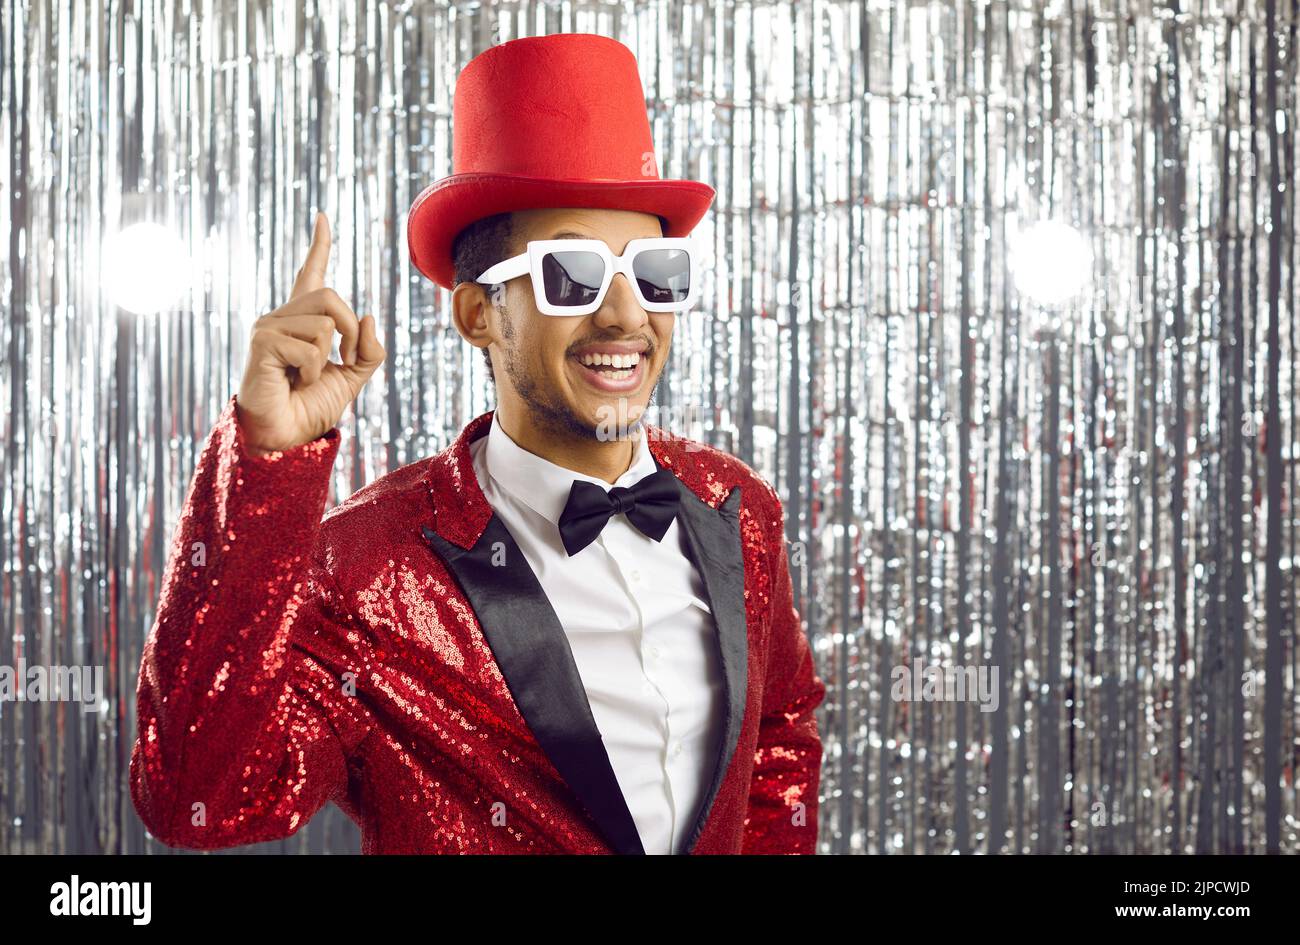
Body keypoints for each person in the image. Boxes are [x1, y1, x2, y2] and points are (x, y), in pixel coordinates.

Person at [129, 32, 825, 855]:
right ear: (477, 314)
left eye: (655, 270)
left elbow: (779, 741)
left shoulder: (736, 505)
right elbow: (199, 795)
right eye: (573, 274)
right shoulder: (368, 566)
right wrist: (263, 472)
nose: (627, 316)